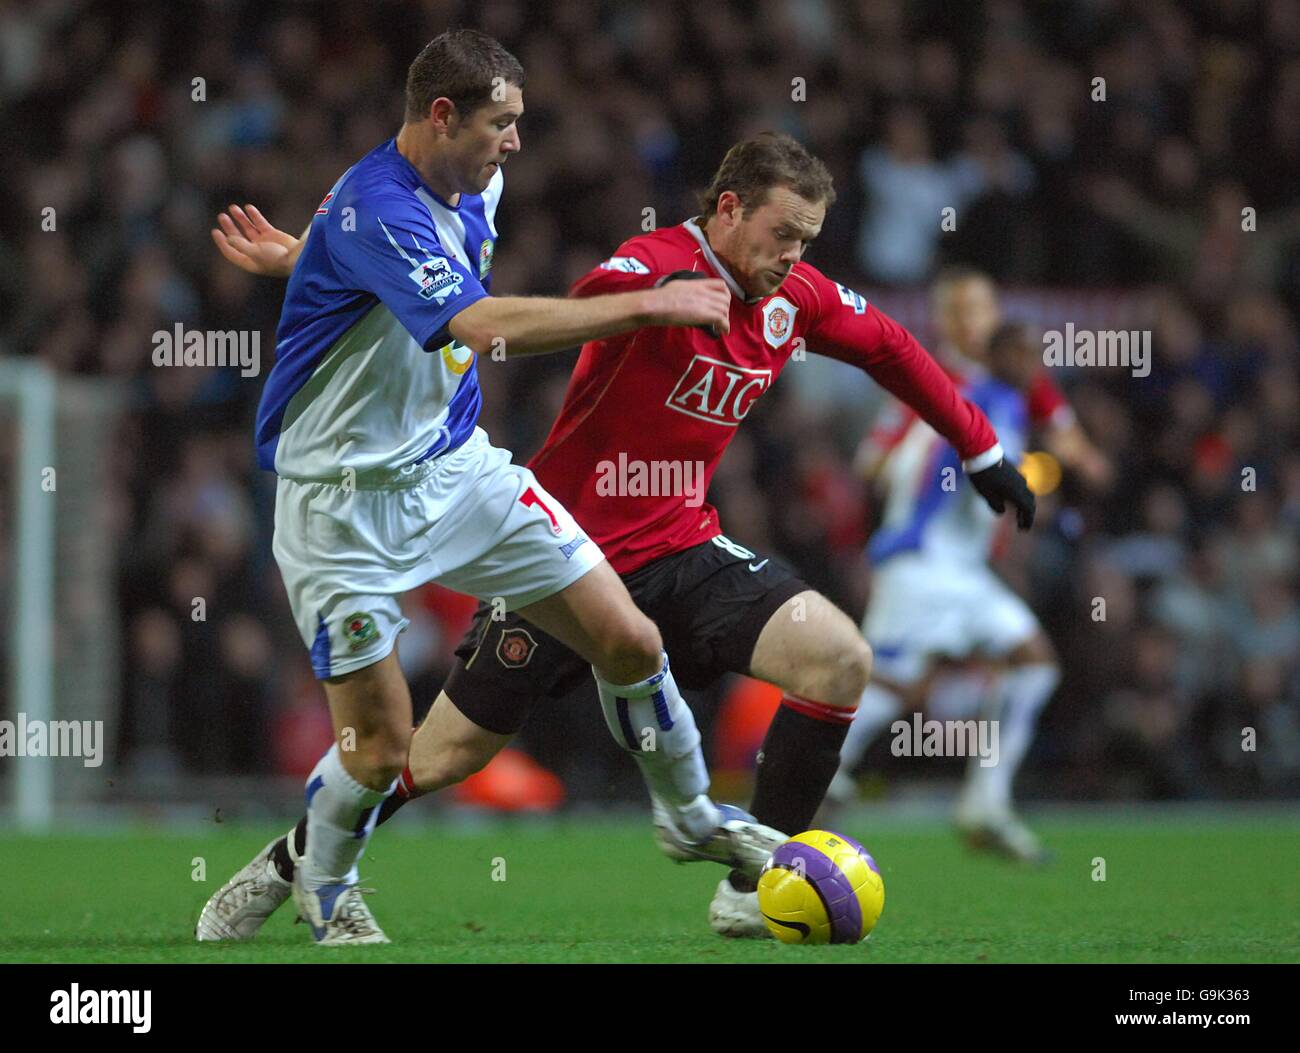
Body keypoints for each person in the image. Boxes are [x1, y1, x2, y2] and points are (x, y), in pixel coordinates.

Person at [202, 131, 1035, 941]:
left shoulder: (794, 299)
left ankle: (754, 889)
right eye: (782, 234)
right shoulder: (648, 269)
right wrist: (325, 262)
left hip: (683, 550)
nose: (793, 257)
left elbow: (891, 347)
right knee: (440, 756)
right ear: (730, 210)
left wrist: (983, 447)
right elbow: (525, 308)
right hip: (562, 557)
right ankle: (295, 857)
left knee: (840, 660)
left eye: (808, 240)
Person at [198, 29, 780, 947]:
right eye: (501, 123)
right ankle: (323, 881)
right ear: (442, 116)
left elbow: (367, 256)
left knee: (628, 637)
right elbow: (477, 321)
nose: (515, 142)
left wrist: (297, 259)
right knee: (382, 747)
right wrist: (646, 303)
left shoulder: (467, 185)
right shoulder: (374, 205)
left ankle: (692, 815)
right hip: (337, 499)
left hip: (454, 465)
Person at [835, 322, 1059, 862]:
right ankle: (817, 768)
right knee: (894, 689)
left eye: (1038, 356)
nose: (1033, 367)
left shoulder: (986, 399)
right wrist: (910, 533)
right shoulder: (987, 399)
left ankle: (986, 803)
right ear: (995, 352)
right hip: (926, 565)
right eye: (1023, 353)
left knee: (1033, 662)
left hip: (960, 569)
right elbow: (943, 461)